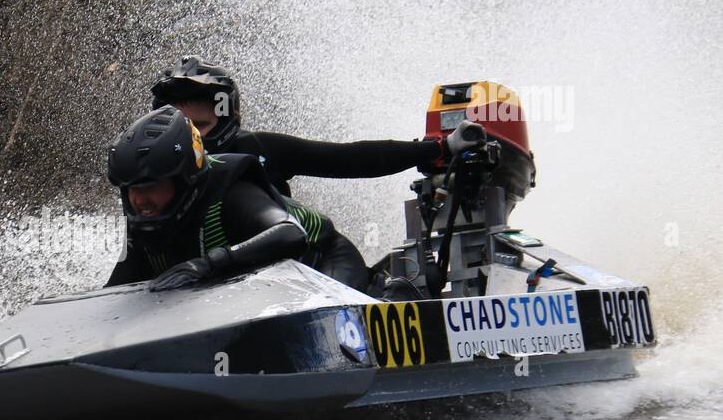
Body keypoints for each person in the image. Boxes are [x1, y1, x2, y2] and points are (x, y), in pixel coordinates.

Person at [148, 56, 486, 194]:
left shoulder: (256, 147)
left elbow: (347, 158)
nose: (189, 130)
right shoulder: (148, 172)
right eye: (177, 118)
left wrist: (437, 147)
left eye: (197, 120)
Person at [106, 106, 345, 291]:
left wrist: (210, 264)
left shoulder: (230, 191)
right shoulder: (143, 217)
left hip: (325, 260)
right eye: (131, 189)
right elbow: (116, 291)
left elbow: (290, 234)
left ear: (183, 181)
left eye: (151, 186)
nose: (139, 199)